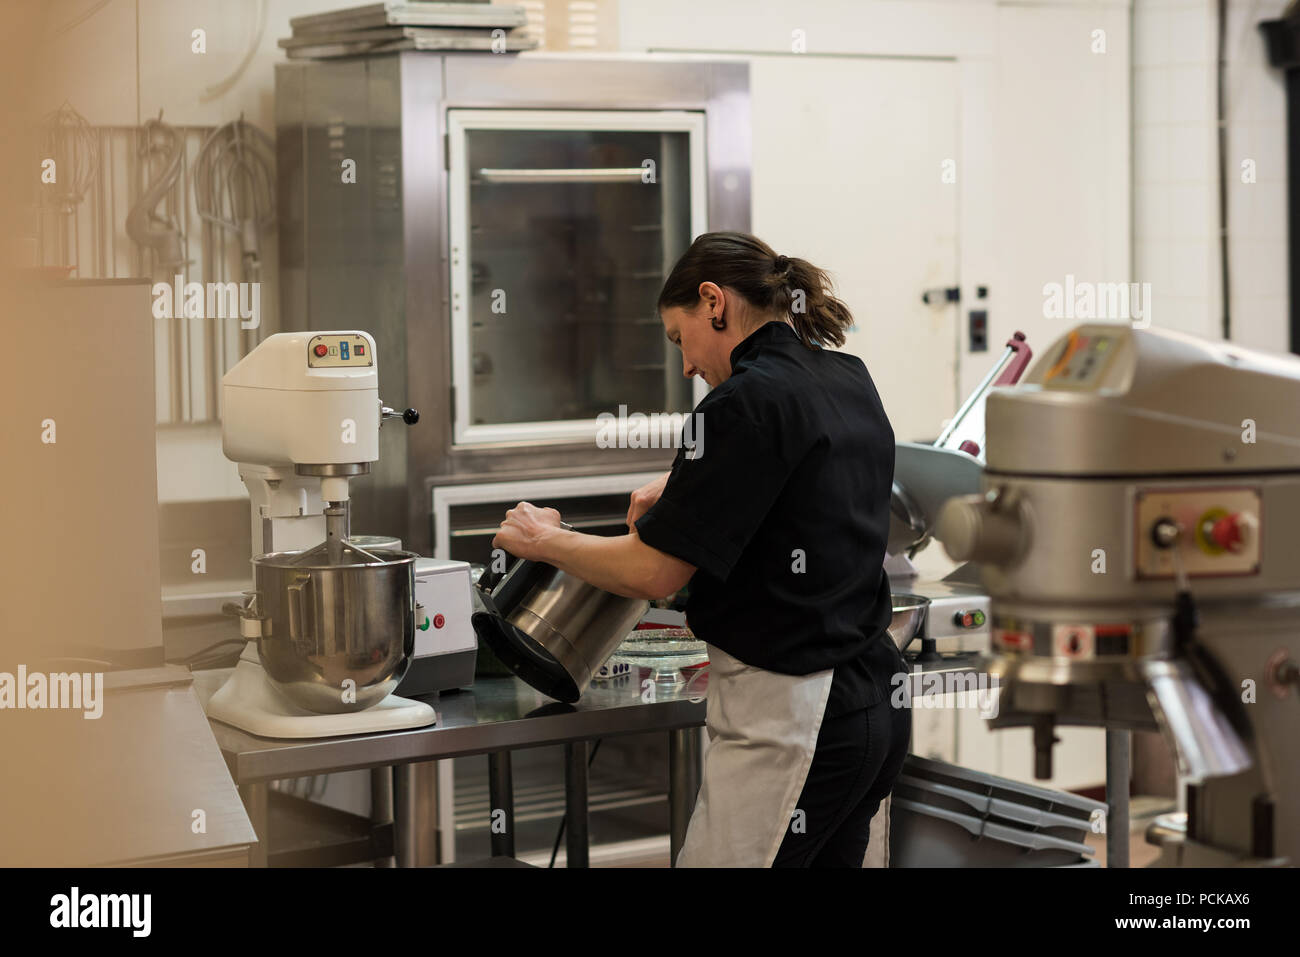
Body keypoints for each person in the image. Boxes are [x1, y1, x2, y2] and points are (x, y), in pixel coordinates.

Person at [492, 231, 909, 867]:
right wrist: (689, 490)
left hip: (794, 721)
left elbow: (654, 573)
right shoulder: (844, 375)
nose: (685, 365)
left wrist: (546, 541)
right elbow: (809, 479)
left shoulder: (741, 401)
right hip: (874, 705)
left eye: (678, 338)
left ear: (712, 301)